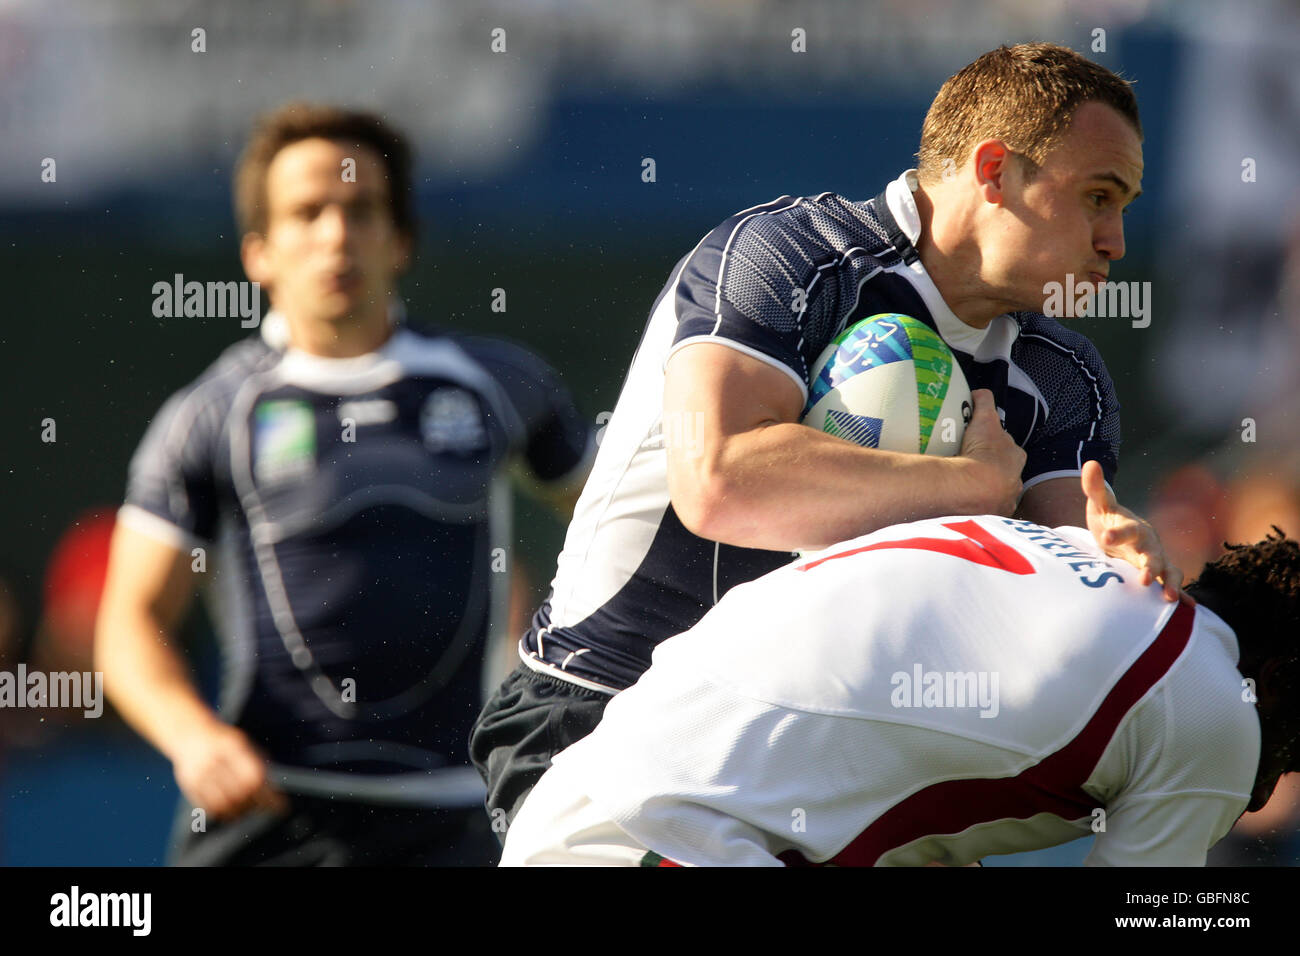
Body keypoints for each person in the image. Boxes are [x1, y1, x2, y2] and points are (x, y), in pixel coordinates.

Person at [471, 42, 1178, 834]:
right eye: (1098, 196)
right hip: (603, 715)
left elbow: (1063, 569)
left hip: (834, 755)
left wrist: (1118, 567)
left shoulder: (1066, 376)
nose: (1116, 239)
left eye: (1124, 206)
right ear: (994, 172)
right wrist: (966, 487)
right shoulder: (786, 258)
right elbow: (723, 482)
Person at [94, 103, 592, 866]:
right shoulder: (211, 414)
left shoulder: (500, 384)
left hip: (456, 822)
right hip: (270, 818)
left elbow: (619, 525)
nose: (336, 233)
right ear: (259, 253)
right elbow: (128, 621)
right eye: (308, 212)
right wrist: (192, 739)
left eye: (361, 210)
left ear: (401, 241)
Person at [500, 464, 1300, 867]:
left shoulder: (1074, 555)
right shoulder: (1216, 706)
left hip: (585, 802)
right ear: (1274, 679)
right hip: (684, 838)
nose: (1280, 777)